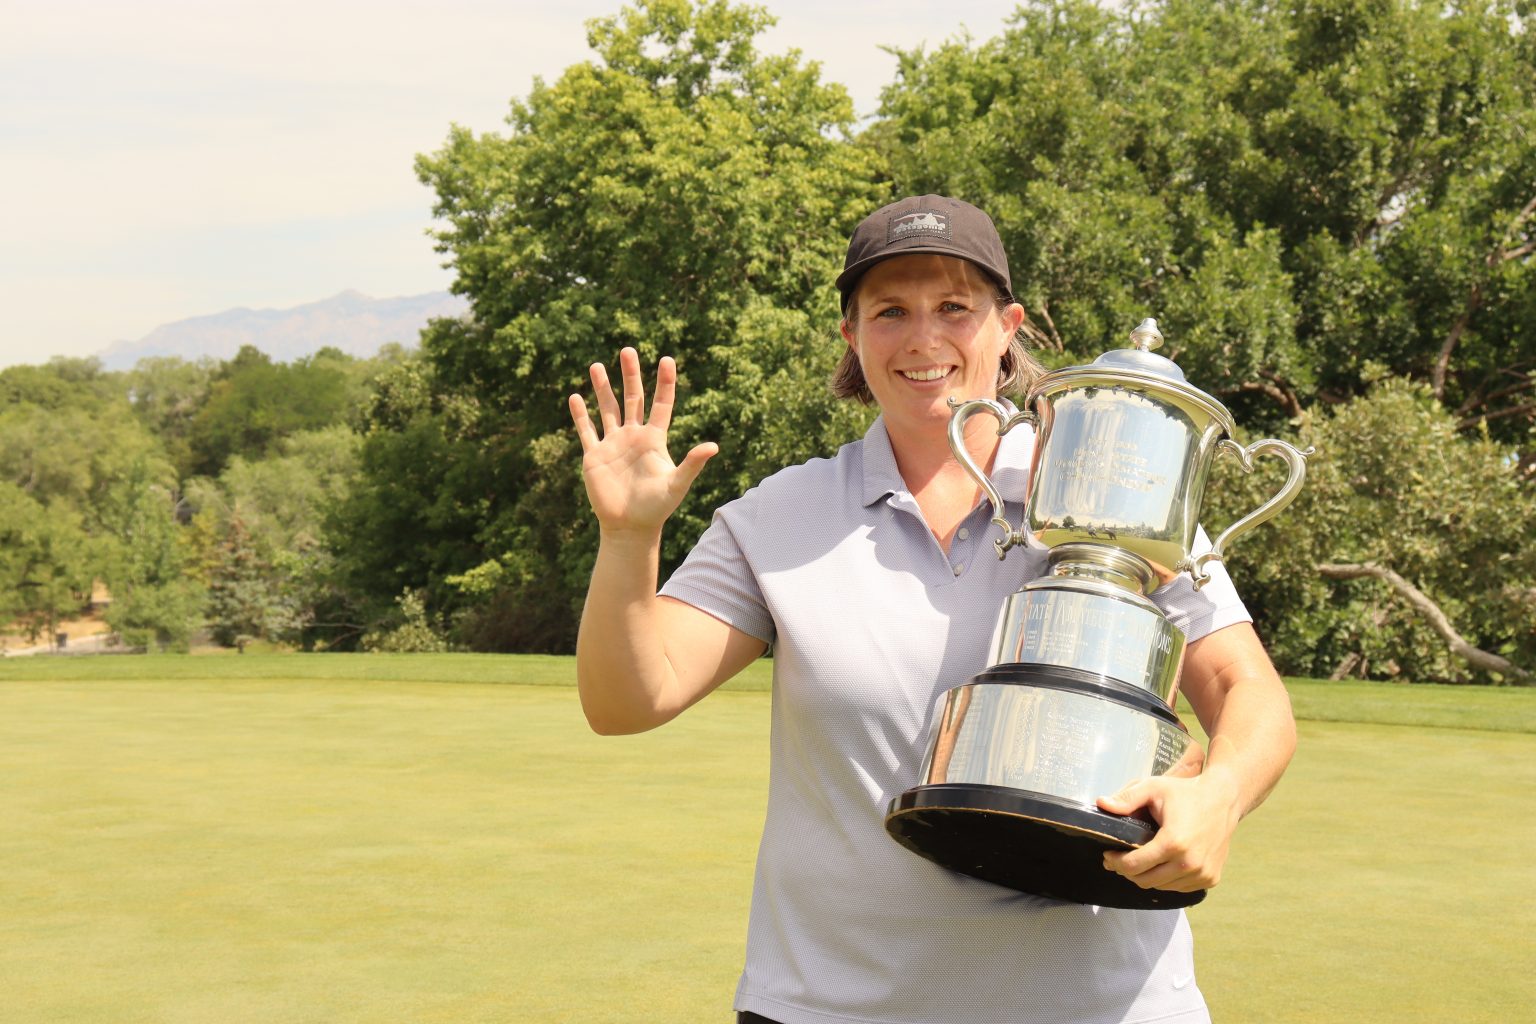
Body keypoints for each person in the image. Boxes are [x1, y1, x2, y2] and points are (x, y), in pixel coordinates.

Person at [567, 195, 1297, 1024]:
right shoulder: (781, 517)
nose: (923, 338)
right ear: (850, 334)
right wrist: (628, 538)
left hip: (1108, 1009)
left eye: (955, 307)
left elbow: (1252, 695)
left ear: (1006, 325)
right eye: (890, 312)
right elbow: (628, 700)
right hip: (833, 1008)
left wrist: (1222, 795)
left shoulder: (1114, 489)